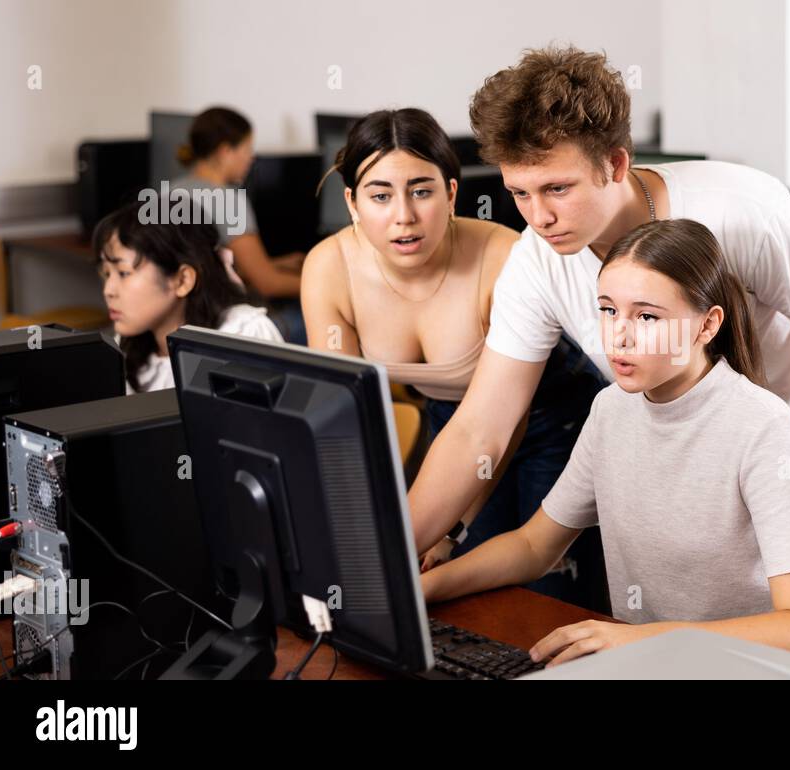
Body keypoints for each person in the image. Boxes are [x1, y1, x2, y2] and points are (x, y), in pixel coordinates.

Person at [407, 46, 790, 555]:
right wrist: (388, 560)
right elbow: (479, 428)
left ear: (616, 163)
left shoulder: (741, 210)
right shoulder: (537, 261)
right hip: (696, 454)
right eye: (520, 193)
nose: (539, 216)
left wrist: (786, 475)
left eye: (557, 188)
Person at [421, 219, 790, 667]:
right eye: (608, 310)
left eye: (647, 316)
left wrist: (646, 641)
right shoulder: (610, 410)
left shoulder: (767, 431)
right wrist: (421, 589)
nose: (619, 335)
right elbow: (533, 547)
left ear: (707, 325)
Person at [300, 108, 609, 609]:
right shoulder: (328, 269)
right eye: (380, 196)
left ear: (451, 194)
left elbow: (500, 419)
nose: (403, 215)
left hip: (555, 420)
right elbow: (344, 425)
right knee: (458, 594)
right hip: (454, 426)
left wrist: (454, 528)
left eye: (422, 191)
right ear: (353, 204)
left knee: (549, 594)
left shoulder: (504, 258)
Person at [94, 202, 281, 393]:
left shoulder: (244, 335)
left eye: (123, 273)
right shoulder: (127, 347)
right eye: (107, 274)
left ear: (183, 280)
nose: (108, 290)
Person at [173, 106, 307, 344]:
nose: (251, 157)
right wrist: (327, 284)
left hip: (184, 322)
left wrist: (275, 263)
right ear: (226, 151)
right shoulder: (228, 200)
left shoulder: (172, 191)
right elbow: (268, 284)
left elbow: (205, 266)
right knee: (316, 316)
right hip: (223, 325)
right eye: (247, 149)